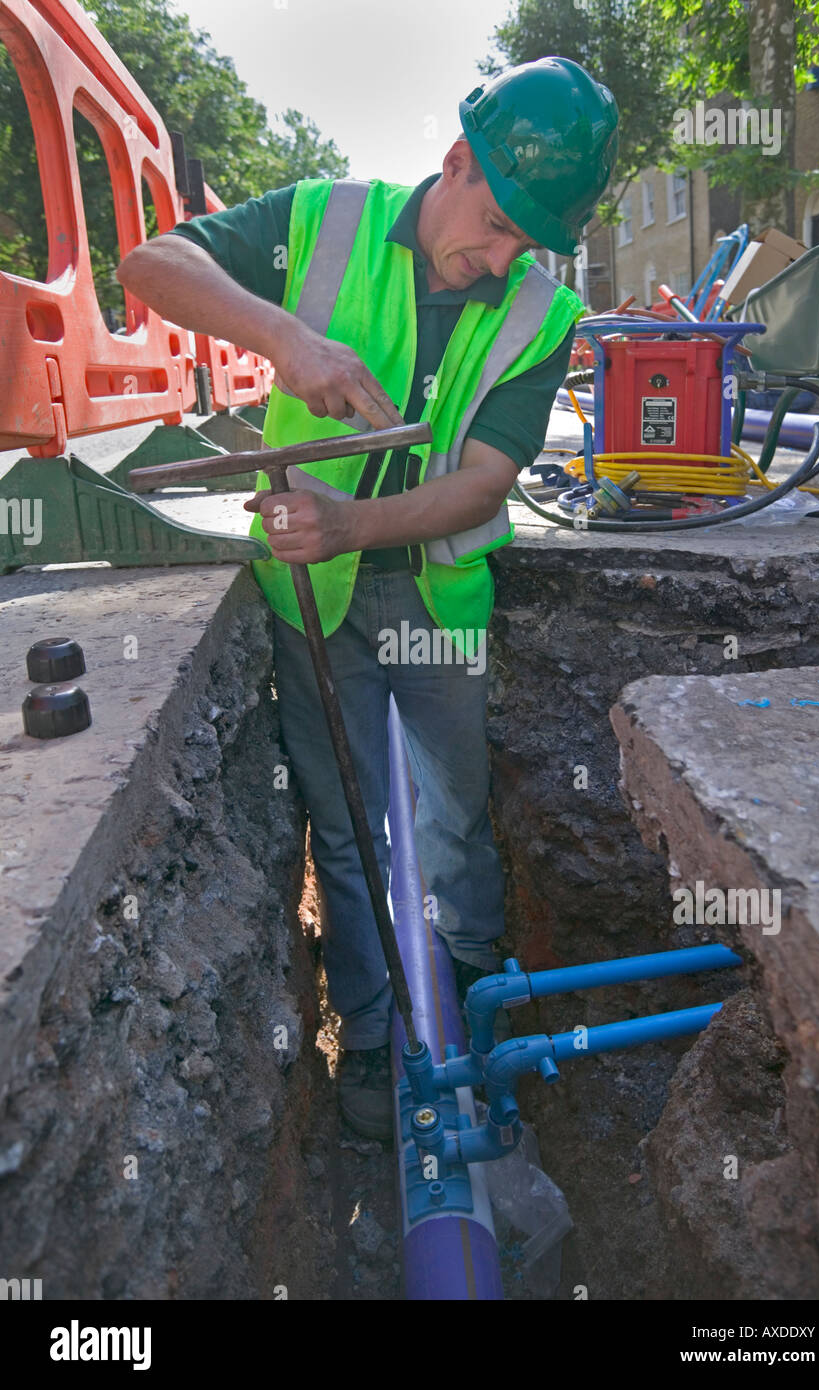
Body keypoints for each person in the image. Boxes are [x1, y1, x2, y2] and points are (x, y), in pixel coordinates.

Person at [116, 56, 618, 1141]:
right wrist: (285, 336)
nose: (499, 258)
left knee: (451, 822)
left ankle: (477, 1022)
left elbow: (483, 480)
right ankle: (376, 1041)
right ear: (453, 161)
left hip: (435, 598)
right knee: (345, 832)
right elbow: (150, 263)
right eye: (491, 225)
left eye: (526, 242)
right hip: (314, 595)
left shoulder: (543, 311)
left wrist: (350, 522)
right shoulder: (325, 222)